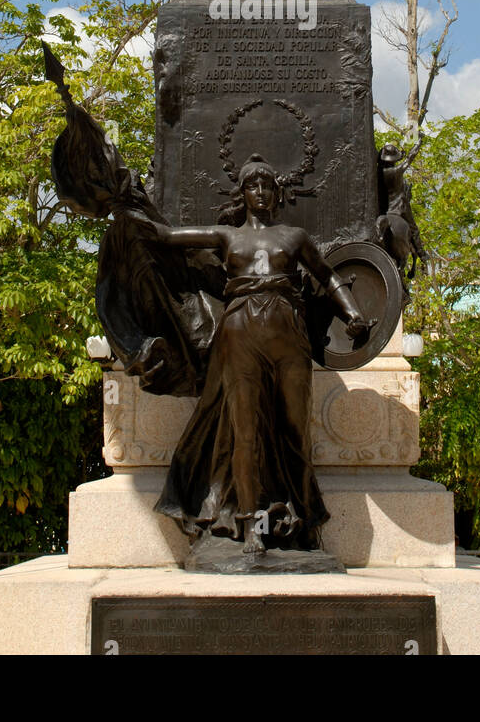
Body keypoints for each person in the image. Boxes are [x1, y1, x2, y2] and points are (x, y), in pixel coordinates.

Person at [130, 153, 373, 559]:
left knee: (296, 430)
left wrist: (352, 313)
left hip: (288, 333)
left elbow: (327, 276)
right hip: (241, 331)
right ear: (242, 194)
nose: (259, 192)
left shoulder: (294, 237)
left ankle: (303, 522)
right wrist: (131, 212)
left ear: (277, 193)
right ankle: (251, 527)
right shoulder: (228, 237)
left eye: (266, 185)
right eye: (251, 186)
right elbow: (170, 238)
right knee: (245, 433)